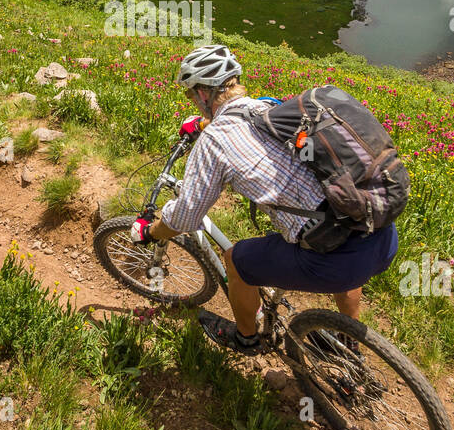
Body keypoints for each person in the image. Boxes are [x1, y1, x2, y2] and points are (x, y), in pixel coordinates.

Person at [130, 44, 398, 354]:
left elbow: (186, 218)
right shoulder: (270, 108)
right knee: (341, 228)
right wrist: (203, 123)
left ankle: (246, 339)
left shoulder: (215, 143)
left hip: (336, 263)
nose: (192, 99)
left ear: (204, 94)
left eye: (192, 94)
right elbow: (244, 124)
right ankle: (346, 342)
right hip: (380, 234)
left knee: (237, 261)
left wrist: (150, 232)